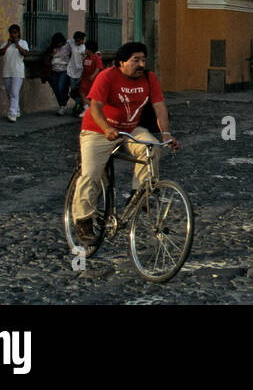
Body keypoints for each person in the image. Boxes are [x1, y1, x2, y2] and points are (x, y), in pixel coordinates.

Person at [72, 41, 177, 243]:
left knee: (152, 148)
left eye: (143, 60)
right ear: (121, 62)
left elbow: (159, 106)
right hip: (97, 130)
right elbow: (95, 107)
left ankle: (139, 194)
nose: (141, 64)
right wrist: (106, 129)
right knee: (91, 173)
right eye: (135, 60)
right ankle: (83, 219)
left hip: (129, 129)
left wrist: (166, 134)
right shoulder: (107, 76)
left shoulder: (149, 78)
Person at [0, 24, 29, 122]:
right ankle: (17, 109)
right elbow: (0, 52)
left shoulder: (23, 43)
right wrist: (8, 44)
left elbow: (25, 53)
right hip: (7, 71)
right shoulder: (6, 43)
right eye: (11, 32)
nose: (13, 34)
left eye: (15, 32)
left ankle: (12, 113)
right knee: (10, 93)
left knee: (14, 92)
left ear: (18, 33)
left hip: (18, 71)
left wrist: (17, 44)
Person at [43, 32, 70, 115]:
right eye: (57, 43)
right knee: (55, 88)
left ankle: (63, 105)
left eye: (60, 43)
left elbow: (75, 53)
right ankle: (62, 104)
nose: (59, 44)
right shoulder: (52, 48)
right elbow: (45, 58)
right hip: (54, 70)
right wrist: (52, 54)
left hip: (64, 70)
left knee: (60, 86)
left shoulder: (68, 46)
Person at [75, 38, 103, 118]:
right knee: (82, 93)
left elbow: (98, 67)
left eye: (86, 49)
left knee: (91, 96)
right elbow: (84, 69)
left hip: (92, 81)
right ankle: (86, 109)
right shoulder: (86, 58)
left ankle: (90, 110)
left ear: (90, 50)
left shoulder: (96, 58)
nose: (85, 50)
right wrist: (80, 78)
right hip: (85, 79)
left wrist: (93, 75)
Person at [64, 31, 86, 115]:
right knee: (72, 90)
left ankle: (79, 105)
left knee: (79, 90)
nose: (81, 42)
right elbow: (66, 45)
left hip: (81, 72)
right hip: (71, 71)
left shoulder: (84, 48)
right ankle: (78, 103)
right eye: (79, 40)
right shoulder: (71, 43)